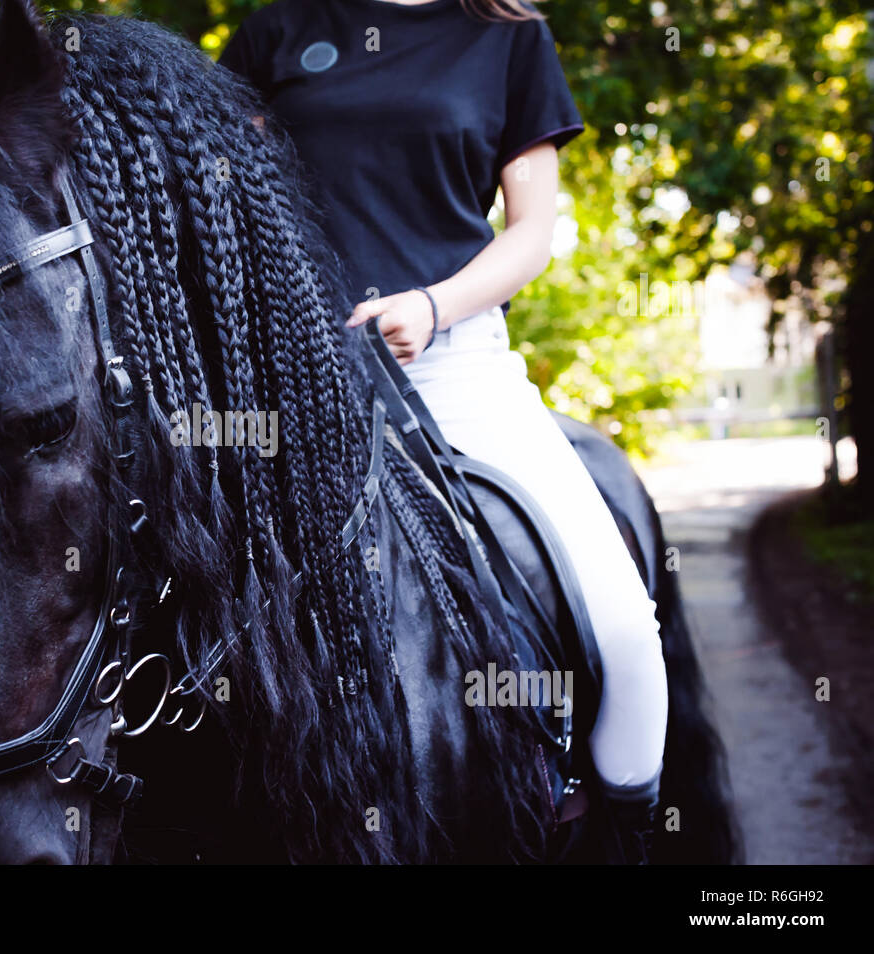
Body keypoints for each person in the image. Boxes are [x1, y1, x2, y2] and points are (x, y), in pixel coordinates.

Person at [220, 0, 667, 861]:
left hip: (455, 367)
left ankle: (626, 835)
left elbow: (533, 231)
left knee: (625, 636)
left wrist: (433, 306)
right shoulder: (277, 28)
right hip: (293, 382)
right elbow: (221, 192)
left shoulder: (510, 37)